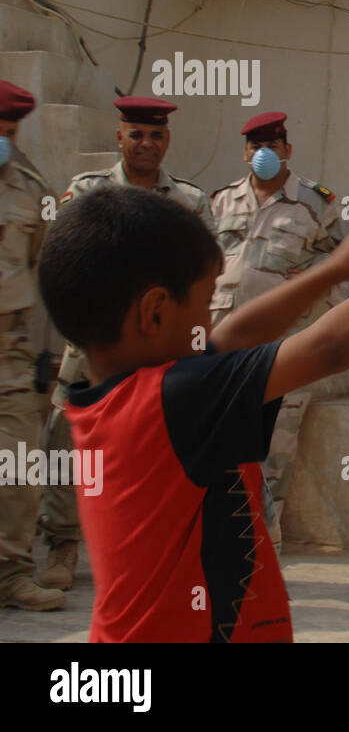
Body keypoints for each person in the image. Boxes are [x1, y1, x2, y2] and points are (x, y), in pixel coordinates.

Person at [37, 184, 349, 641]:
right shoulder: (173, 399)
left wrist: (330, 271)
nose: (209, 319)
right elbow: (331, 347)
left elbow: (235, 337)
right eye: (204, 301)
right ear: (154, 313)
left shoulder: (125, 397)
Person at [36, 95, 216, 592]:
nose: (146, 143)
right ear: (119, 137)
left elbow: (204, 275)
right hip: (94, 344)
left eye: (156, 135)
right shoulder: (89, 192)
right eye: (137, 134)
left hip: (160, 349)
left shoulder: (190, 202)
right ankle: (61, 543)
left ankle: (150, 554)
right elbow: (64, 260)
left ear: (167, 141)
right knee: (68, 446)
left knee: (157, 451)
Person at [208, 111, 349, 544]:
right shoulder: (222, 201)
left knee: (275, 446)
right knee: (220, 437)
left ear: (287, 150)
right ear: (245, 152)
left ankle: (264, 538)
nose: (262, 154)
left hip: (284, 344)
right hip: (224, 338)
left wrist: (314, 291)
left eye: (271, 146)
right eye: (255, 147)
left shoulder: (317, 202)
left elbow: (344, 265)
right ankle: (221, 533)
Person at [0, 81, 61, 611]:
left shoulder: (31, 187)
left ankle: (13, 574)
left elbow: (40, 267)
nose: (3, 140)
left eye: (10, 130)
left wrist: (46, 351)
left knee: (19, 465)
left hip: (10, 351)